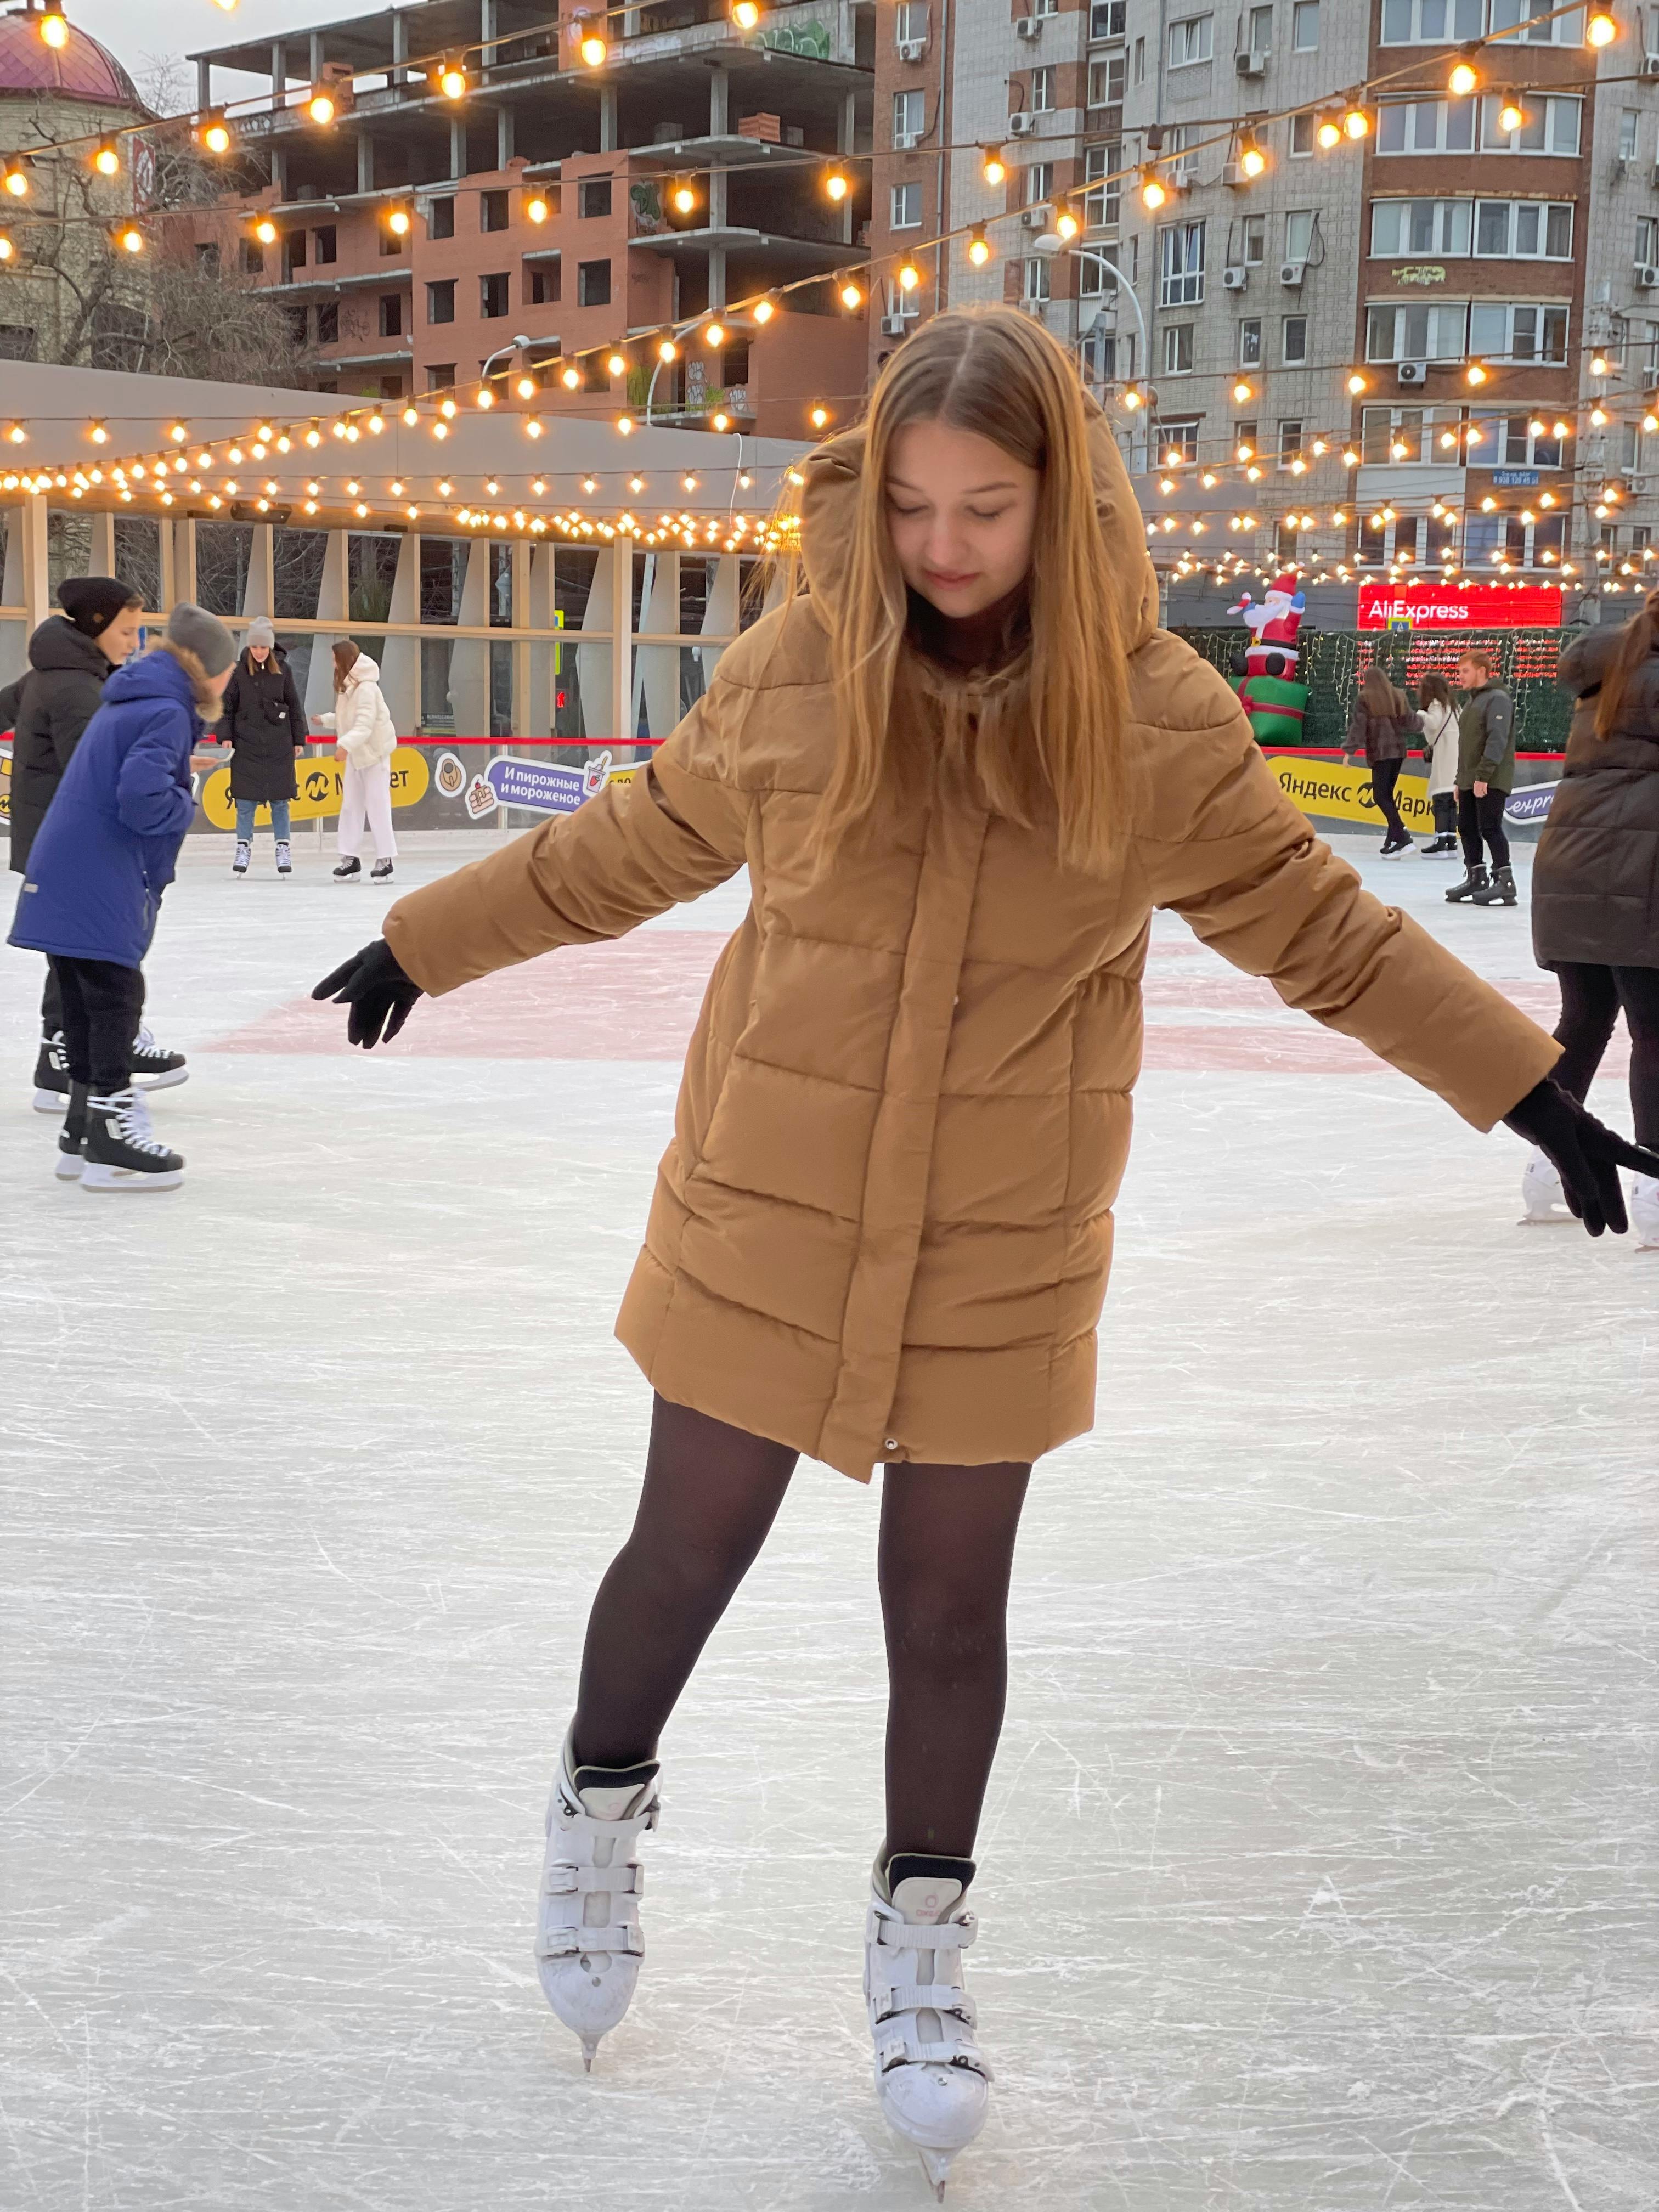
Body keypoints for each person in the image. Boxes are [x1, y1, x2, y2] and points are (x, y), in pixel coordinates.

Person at [309, 310, 1658, 2196]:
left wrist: (1525, 1085)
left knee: (949, 1612)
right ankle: (595, 1808)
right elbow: (630, 844)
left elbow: (1315, 928)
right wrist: (425, 938)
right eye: (915, 505)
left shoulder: (1154, 714)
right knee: (681, 1552)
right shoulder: (804, 662)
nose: (942, 548)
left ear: (1060, 501)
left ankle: (920, 1945)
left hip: (1006, 1229)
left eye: (986, 509)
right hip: (764, 1196)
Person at [8, 604, 236, 1192]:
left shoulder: (132, 699)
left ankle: (81, 1131)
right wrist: (185, 804)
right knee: (114, 997)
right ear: (208, 670)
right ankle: (111, 1136)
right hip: (99, 874)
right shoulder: (166, 708)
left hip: (63, 868)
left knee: (84, 1003)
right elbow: (140, 799)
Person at [0, 577, 189, 1110]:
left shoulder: (57, 674)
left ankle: (74, 1052)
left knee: (72, 948)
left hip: (53, 834)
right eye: (127, 631)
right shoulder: (75, 687)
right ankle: (72, 1055)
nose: (135, 642)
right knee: (83, 947)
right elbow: (96, 765)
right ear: (98, 626)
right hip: (72, 840)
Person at [1520, 595, 1659, 1244]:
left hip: (1570, 866)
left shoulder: (1608, 671)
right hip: (1640, 868)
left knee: (1584, 1019)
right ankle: (1656, 1189)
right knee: (1654, 1032)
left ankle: (1550, 1167)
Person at [217, 616, 308, 877]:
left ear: (270, 647)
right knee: (245, 800)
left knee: (281, 800)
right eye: (255, 647)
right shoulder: (237, 671)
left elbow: (294, 706)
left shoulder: (284, 670)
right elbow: (227, 707)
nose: (259, 652)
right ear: (249, 646)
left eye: (264, 647)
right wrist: (226, 735)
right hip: (246, 744)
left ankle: (283, 847)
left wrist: (298, 739)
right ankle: (243, 847)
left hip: (279, 744)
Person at [318, 641, 397, 882]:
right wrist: (326, 720)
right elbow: (348, 719)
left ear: (343, 660)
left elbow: (365, 724)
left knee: (378, 806)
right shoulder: (349, 687)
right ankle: (350, 859)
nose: (332, 664)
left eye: (334, 659)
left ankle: (386, 859)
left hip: (374, 755)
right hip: (357, 756)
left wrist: (344, 746)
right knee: (351, 806)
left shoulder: (366, 689)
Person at [1447, 647, 1517, 905]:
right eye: (1459, 672)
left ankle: (1505, 881)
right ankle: (1476, 876)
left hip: (1490, 778)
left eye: (1465, 671)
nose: (1460, 677)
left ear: (1482, 671)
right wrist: (1460, 780)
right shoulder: (1473, 701)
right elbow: (1467, 745)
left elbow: (1496, 740)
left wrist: (1484, 776)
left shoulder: (1497, 699)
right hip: (1469, 778)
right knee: (1466, 827)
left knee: (1490, 827)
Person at [1342, 662, 1415, 855]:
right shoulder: (1398, 695)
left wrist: (1349, 751)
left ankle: (1402, 835)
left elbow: (1358, 727)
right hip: (1398, 753)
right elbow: (1411, 722)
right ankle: (1392, 841)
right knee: (1388, 796)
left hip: (1381, 753)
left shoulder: (1365, 698)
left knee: (1380, 796)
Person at [1413, 669, 1459, 855]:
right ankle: (1451, 840)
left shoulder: (1436, 705)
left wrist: (1419, 714)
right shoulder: (1454, 707)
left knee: (1440, 799)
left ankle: (1440, 840)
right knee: (1450, 801)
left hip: (1445, 757)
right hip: (1456, 756)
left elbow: (1433, 723)